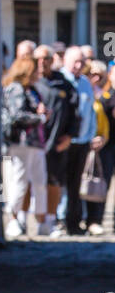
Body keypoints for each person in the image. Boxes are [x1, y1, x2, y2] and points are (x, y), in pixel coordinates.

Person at [0, 56, 47, 239]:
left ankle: (42, 224)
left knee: (39, 182)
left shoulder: (32, 89)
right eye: (35, 70)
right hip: (22, 142)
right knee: (19, 182)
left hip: (36, 142)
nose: (39, 73)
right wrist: (40, 118)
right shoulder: (16, 88)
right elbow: (17, 116)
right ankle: (12, 220)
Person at [32, 45, 75, 236]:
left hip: (57, 144)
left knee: (55, 182)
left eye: (46, 58)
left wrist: (70, 136)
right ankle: (34, 222)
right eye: (38, 59)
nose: (42, 62)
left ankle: (52, 220)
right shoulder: (30, 83)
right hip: (35, 144)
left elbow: (75, 112)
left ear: (53, 60)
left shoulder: (63, 83)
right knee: (34, 182)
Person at [59, 46, 97, 235]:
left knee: (75, 184)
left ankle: (74, 221)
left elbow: (90, 111)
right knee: (60, 181)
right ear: (66, 60)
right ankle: (60, 220)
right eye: (75, 61)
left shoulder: (85, 82)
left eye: (82, 61)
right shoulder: (58, 80)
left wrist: (91, 135)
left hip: (82, 141)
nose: (79, 65)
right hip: (63, 141)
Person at [84, 60, 110, 235]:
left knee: (99, 184)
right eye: (92, 74)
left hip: (103, 145)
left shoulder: (105, 96)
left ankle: (95, 219)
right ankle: (81, 218)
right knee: (83, 182)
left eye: (99, 75)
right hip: (84, 143)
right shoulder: (85, 92)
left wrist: (103, 138)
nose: (95, 78)